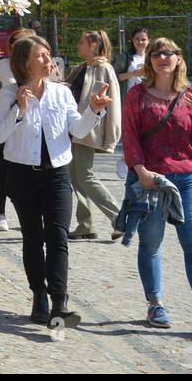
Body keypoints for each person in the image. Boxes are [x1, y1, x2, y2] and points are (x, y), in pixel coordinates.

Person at [0, 36, 112, 327]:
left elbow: (78, 129)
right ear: (25, 62)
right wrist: (19, 109)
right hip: (22, 175)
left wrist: (93, 111)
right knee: (33, 238)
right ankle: (39, 297)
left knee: (57, 237)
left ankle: (60, 301)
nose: (49, 61)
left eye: (49, 55)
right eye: (42, 56)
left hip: (57, 174)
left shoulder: (62, 93)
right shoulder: (8, 95)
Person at [121, 38, 192, 333]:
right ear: (150, 60)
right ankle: (155, 304)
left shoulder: (191, 93)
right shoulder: (138, 96)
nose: (163, 57)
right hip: (152, 180)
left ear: (179, 59)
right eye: (157, 53)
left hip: (189, 177)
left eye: (169, 53)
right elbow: (129, 138)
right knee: (152, 243)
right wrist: (141, 172)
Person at [65, 31, 123, 241]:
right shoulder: (82, 67)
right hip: (74, 129)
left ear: (94, 45)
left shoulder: (103, 68)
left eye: (82, 42)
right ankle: (85, 225)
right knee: (76, 176)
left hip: (88, 129)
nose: (78, 45)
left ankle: (119, 218)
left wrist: (110, 132)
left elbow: (112, 104)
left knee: (85, 175)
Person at [0, 29, 35, 231]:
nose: (17, 46)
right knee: (3, 169)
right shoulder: (4, 65)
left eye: (23, 42)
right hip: (6, 122)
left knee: (28, 170)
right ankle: (0, 214)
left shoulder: (38, 65)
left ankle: (30, 213)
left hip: (31, 124)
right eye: (14, 43)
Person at [118, 27, 149, 95]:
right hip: (130, 98)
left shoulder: (153, 57)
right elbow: (114, 77)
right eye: (137, 39)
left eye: (143, 39)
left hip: (149, 97)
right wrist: (133, 73)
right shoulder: (125, 57)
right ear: (132, 40)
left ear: (148, 41)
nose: (140, 42)